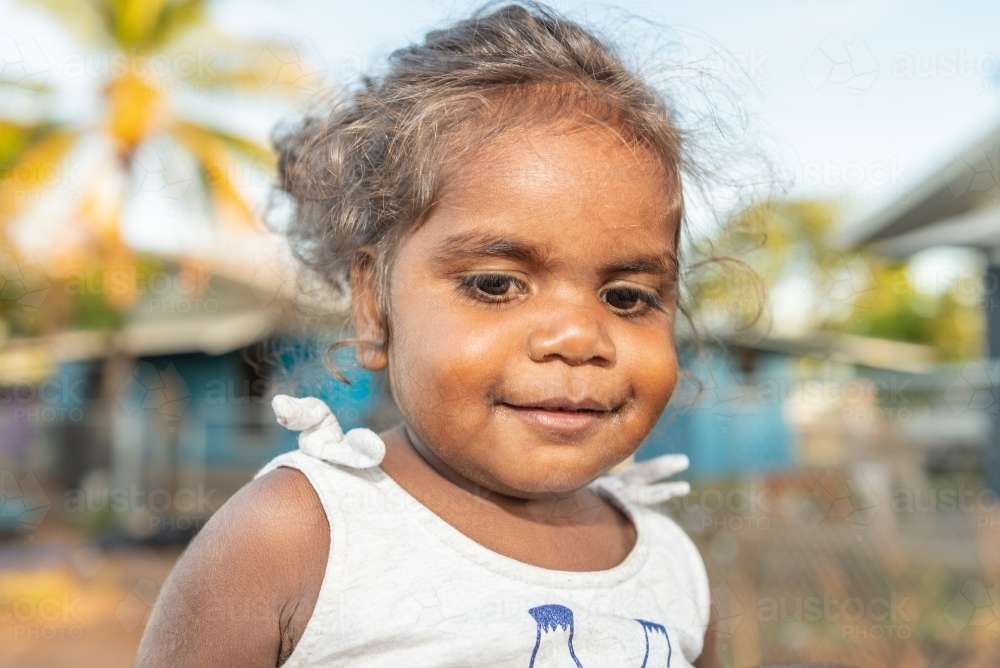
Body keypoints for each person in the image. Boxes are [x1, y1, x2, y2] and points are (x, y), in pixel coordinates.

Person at [135, 3, 718, 666]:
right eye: (495, 284)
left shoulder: (672, 570)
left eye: (626, 296)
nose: (578, 338)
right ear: (373, 302)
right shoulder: (297, 539)